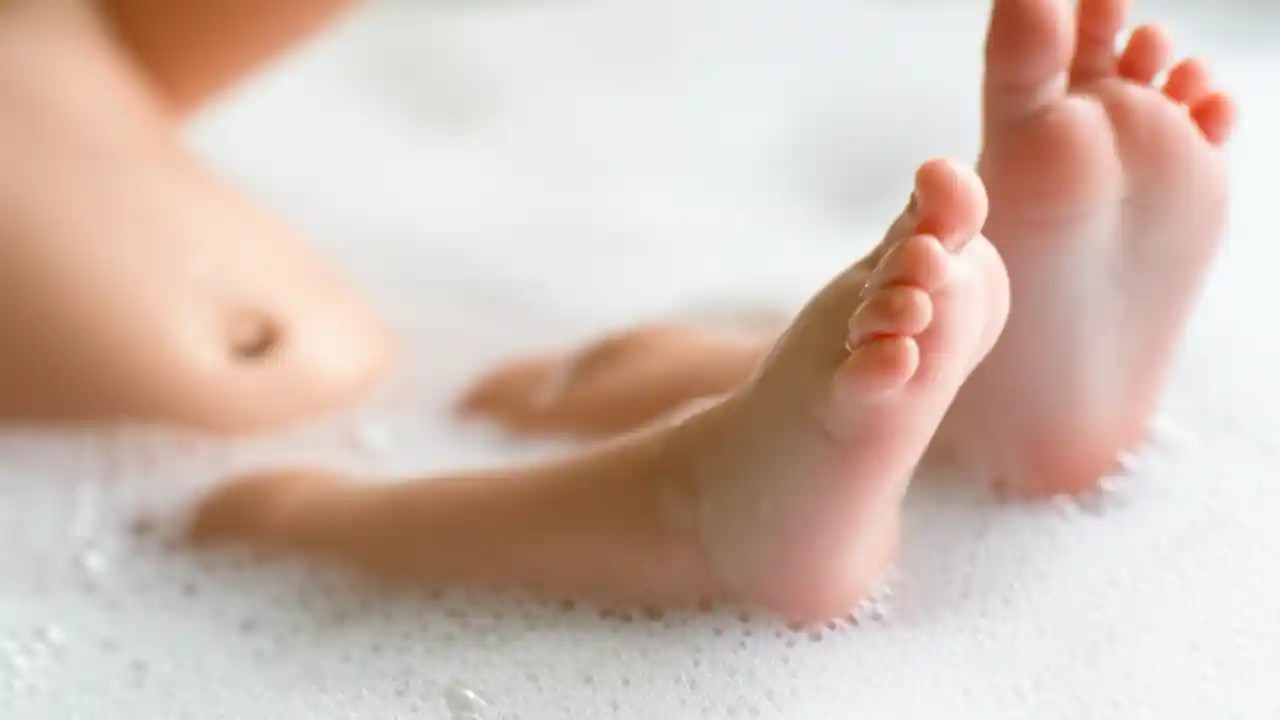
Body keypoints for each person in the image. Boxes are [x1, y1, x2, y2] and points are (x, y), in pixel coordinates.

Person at [3, 0, 1234, 620]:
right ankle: (682, 507)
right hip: (141, 509)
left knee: (563, 380)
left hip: (336, 385)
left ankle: (968, 401)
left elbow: (137, 41)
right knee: (248, 524)